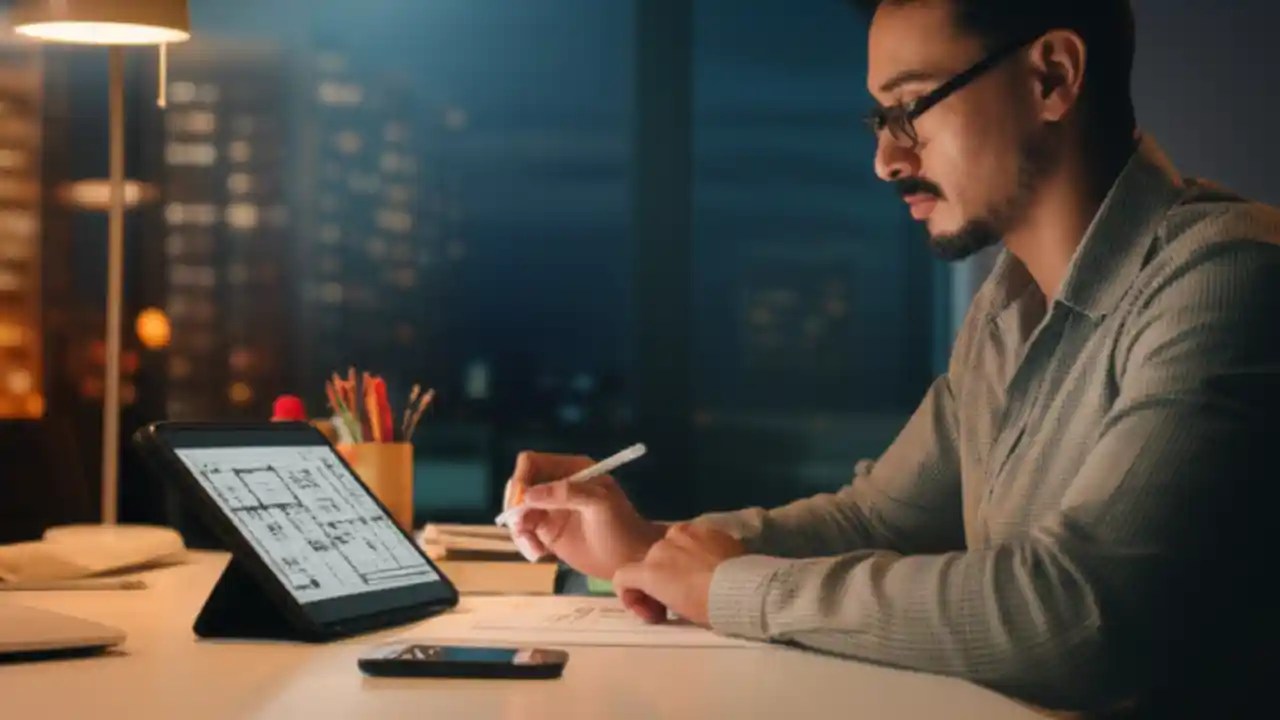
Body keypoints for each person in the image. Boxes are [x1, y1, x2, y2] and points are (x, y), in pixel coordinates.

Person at [504, 0, 1280, 713]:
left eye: (910, 109)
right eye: (879, 118)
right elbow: (881, 519)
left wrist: (731, 589)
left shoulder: (1230, 277)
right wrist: (648, 548)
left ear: (1053, 77)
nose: (886, 158)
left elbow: (1080, 615)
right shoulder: (1008, 308)